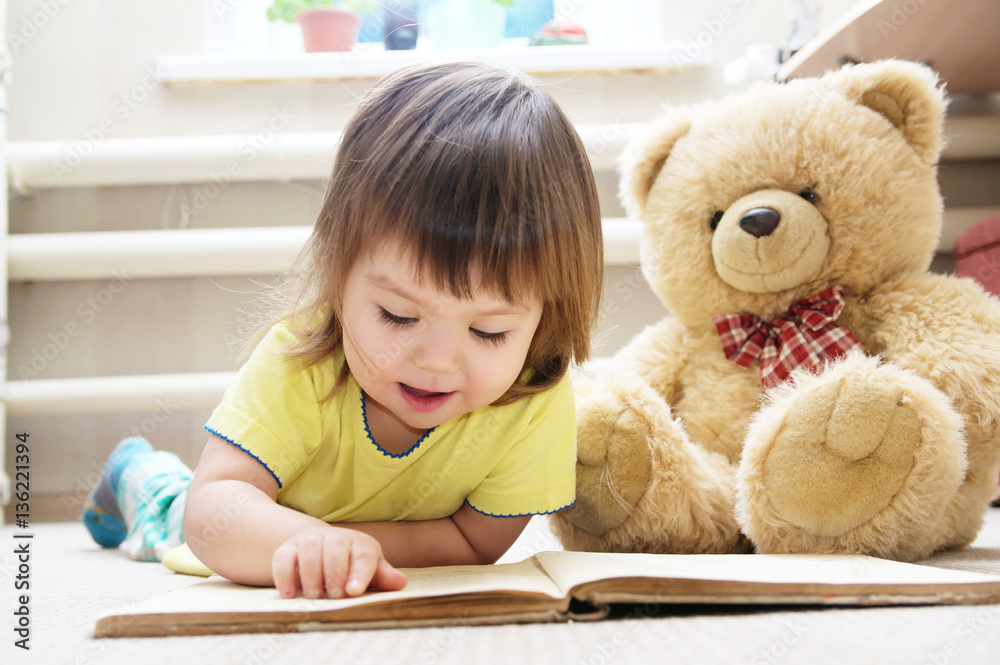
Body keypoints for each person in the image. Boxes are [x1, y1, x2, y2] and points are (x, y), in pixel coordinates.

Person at [82, 61, 604, 600]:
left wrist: (345, 547)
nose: (437, 361)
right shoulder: (301, 362)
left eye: (490, 331)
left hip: (330, 534)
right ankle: (137, 470)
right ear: (337, 275)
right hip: (258, 521)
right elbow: (214, 509)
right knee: (168, 505)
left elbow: (474, 544)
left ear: (548, 315)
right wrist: (305, 540)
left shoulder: (534, 395)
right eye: (399, 316)